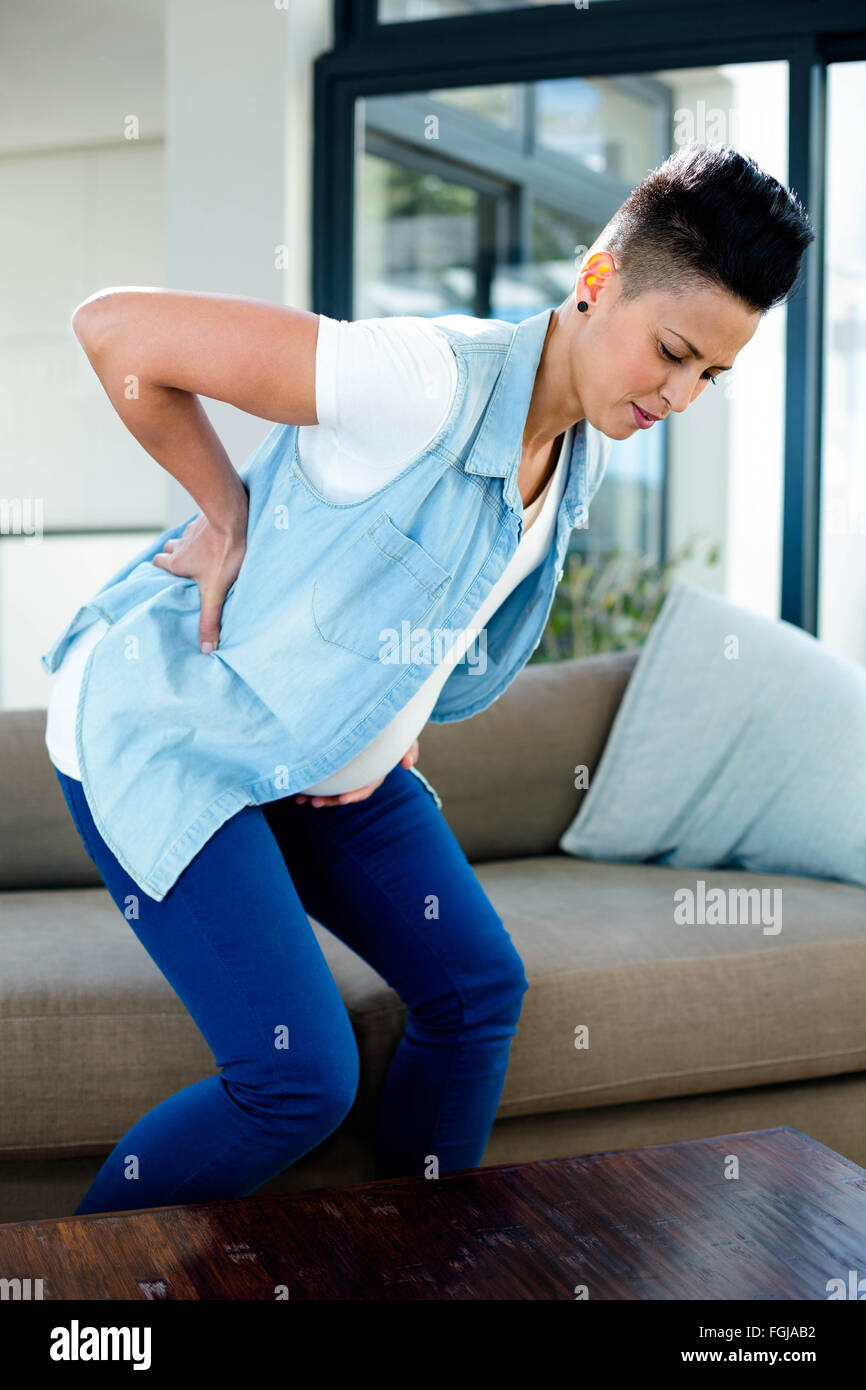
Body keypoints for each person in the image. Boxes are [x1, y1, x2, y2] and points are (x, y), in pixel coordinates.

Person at [42, 142, 813, 1216]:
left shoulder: (575, 444)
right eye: (672, 351)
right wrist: (222, 512)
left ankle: (414, 1264)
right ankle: (57, 1296)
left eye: (709, 376)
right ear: (596, 283)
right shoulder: (423, 379)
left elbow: (428, 589)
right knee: (298, 1079)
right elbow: (115, 330)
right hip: (183, 739)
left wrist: (394, 708)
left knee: (475, 990)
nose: (678, 395)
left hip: (321, 757)